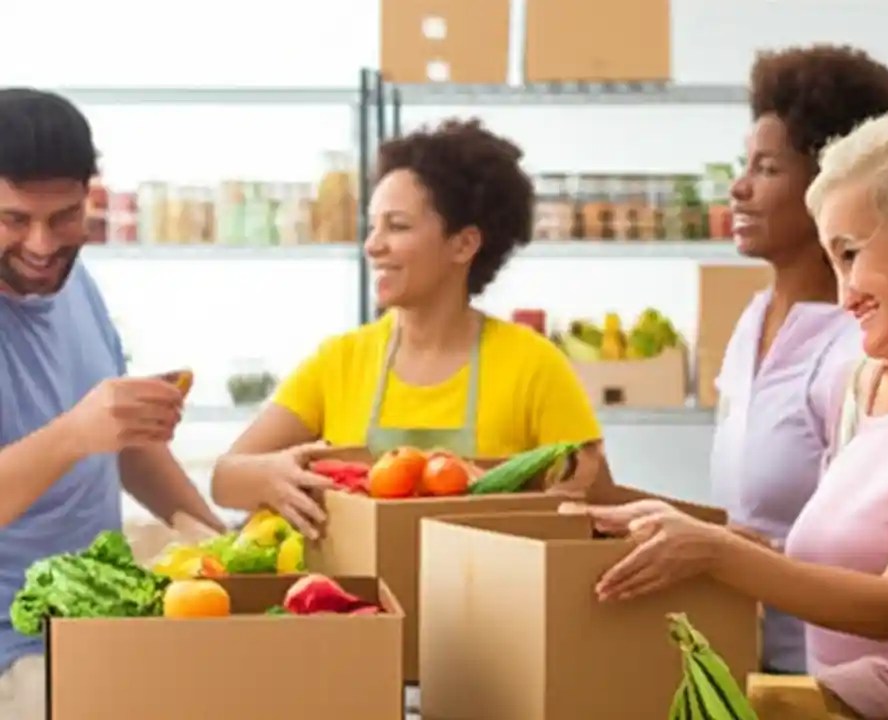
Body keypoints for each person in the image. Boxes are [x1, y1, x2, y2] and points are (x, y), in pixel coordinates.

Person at [566, 111, 888, 718]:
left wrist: (715, 552)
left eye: (850, 255)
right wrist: (672, 523)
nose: (843, 294)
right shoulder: (867, 383)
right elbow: (822, 560)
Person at [211, 119, 605, 536]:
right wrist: (271, 477)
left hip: (491, 596)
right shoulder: (342, 360)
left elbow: (595, 505)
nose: (372, 245)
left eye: (397, 226)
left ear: (463, 244)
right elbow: (225, 478)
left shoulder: (533, 364)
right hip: (362, 599)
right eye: (372, 225)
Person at [0, 88, 224, 718]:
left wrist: (218, 545)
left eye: (63, 216)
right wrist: (76, 432)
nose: (43, 245)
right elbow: (86, 433)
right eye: (14, 219)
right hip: (15, 653)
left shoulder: (77, 287)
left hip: (93, 625)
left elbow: (127, 451)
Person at [708, 44, 888, 676]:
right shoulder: (751, 323)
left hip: (827, 682)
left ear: (831, 186)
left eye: (767, 169)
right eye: (744, 165)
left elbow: (879, 559)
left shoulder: (859, 350)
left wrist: (722, 554)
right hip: (745, 664)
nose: (738, 187)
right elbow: (740, 519)